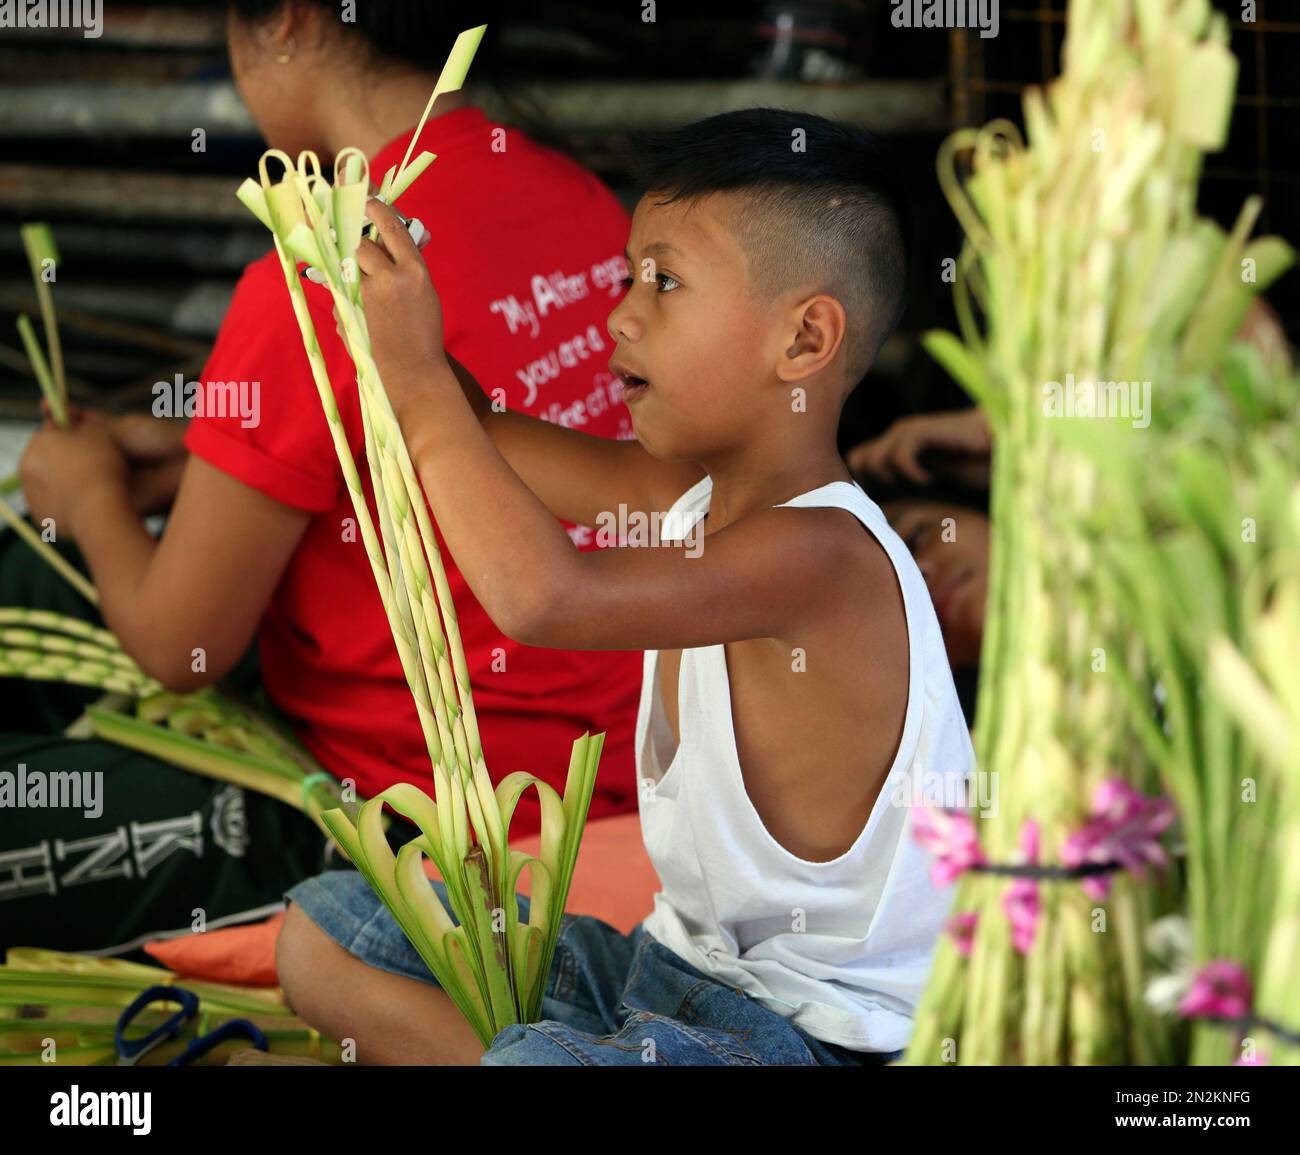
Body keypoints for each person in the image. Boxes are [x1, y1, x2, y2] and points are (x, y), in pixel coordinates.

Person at [276, 109, 977, 1066]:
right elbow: (476, 436)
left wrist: (414, 379)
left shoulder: (825, 559)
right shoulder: (684, 496)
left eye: (665, 281)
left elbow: (544, 596)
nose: (621, 314)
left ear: (805, 339)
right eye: (628, 277)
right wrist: (387, 315)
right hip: (670, 978)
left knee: (534, 1061)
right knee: (327, 929)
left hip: (813, 1044)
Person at [3, 1, 641, 954]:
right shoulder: (576, 193)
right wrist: (202, 458)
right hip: (598, 761)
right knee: (26, 587)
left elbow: (182, 651)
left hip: (416, 831)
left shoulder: (324, 280)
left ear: (289, 22)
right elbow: (417, 441)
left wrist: (85, 496)